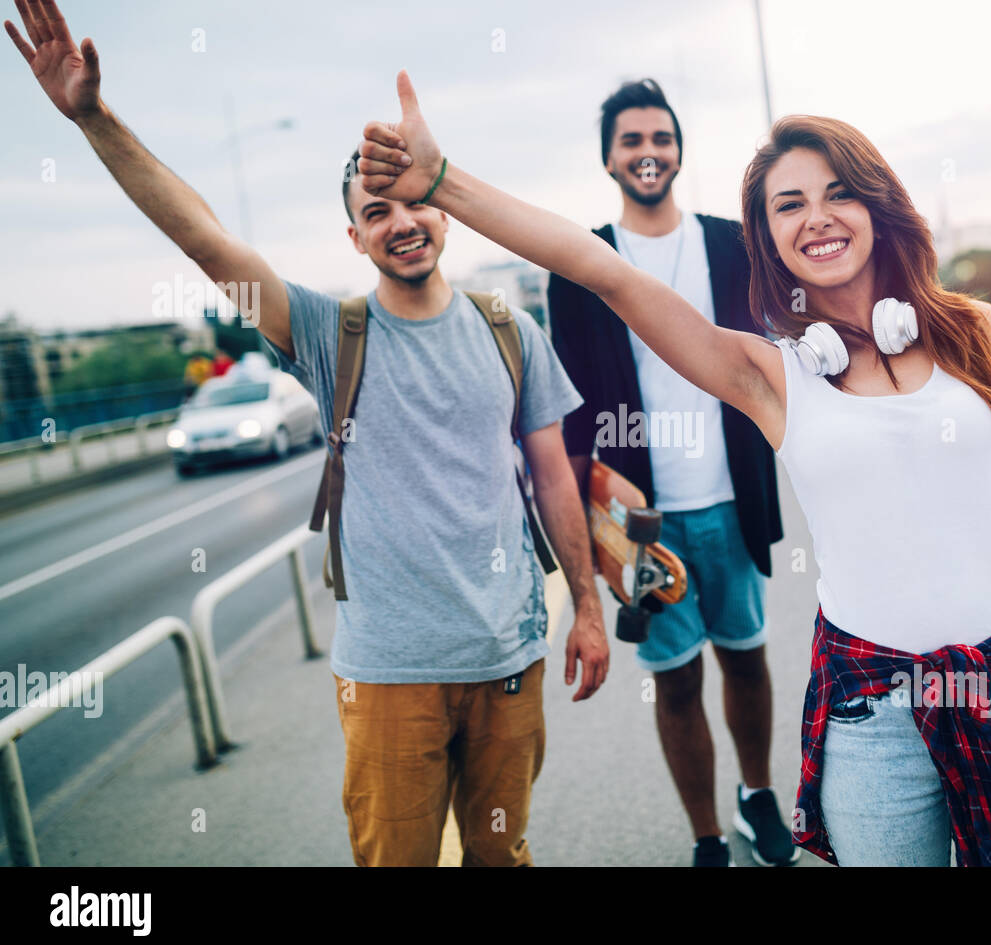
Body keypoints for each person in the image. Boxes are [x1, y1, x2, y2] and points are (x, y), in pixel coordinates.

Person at [355, 70, 991, 867]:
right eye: (789, 204)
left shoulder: (980, 334)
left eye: (839, 192)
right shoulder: (772, 374)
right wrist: (445, 185)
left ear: (876, 203)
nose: (818, 218)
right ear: (766, 236)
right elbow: (600, 271)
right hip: (871, 709)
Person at [7, 0, 609, 868]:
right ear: (356, 238)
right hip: (391, 674)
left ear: (441, 210)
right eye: (376, 212)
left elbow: (552, 477)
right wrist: (95, 119)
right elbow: (205, 242)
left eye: (411, 201)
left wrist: (586, 607)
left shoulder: (510, 330)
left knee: (501, 860)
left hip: (510, 658)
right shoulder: (330, 337)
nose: (400, 220)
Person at [547, 79, 791, 867]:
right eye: (631, 141)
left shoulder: (731, 244)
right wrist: (592, 507)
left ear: (678, 150)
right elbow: (573, 406)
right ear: (608, 159)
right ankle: (707, 838)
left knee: (747, 656)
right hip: (643, 518)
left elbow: (791, 341)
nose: (648, 153)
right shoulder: (584, 264)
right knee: (676, 682)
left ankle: (757, 799)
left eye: (660, 138)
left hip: (731, 499)